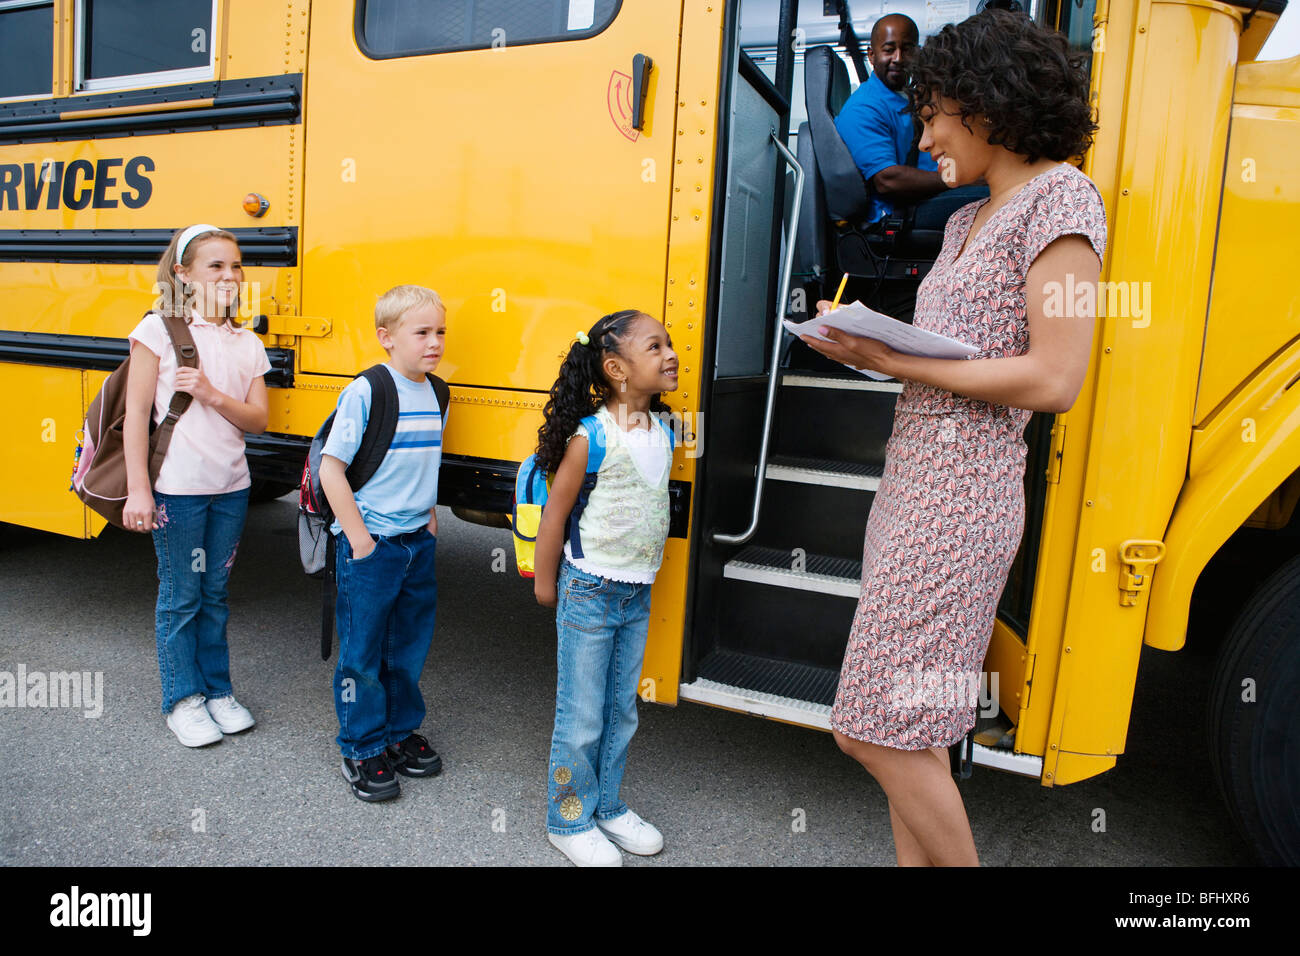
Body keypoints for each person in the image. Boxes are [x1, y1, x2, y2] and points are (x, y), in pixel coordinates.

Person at [801, 9, 1106, 865]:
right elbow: (960, 346)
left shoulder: (1064, 198)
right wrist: (865, 340)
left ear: (986, 101)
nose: (925, 130)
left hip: (962, 506)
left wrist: (896, 363)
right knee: (920, 728)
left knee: (872, 730)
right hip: (914, 489)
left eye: (934, 110)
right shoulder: (971, 218)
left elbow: (1055, 379)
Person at [532, 310, 679, 867]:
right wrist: (547, 584)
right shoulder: (589, 437)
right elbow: (555, 516)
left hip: (635, 594)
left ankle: (609, 807)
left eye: (668, 344)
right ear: (617, 368)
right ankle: (567, 818)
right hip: (589, 592)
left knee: (622, 710)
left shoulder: (665, 431)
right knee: (582, 716)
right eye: (655, 347)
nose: (670, 354)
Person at [123, 224, 271, 747]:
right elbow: (136, 415)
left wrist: (210, 393)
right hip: (177, 489)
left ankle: (217, 691)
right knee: (181, 595)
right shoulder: (158, 332)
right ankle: (182, 699)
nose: (229, 275)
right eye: (215, 266)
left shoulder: (248, 342)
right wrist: (140, 490)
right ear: (183, 274)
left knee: (215, 593)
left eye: (236, 265)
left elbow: (257, 420)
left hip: (231, 487)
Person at [318, 285, 448, 802]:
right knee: (363, 651)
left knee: (407, 646)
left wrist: (431, 520)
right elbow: (333, 469)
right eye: (422, 332)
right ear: (386, 337)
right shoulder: (369, 390)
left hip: (417, 540)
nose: (434, 342)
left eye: (440, 331)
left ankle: (398, 732)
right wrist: (362, 542)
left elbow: (425, 465)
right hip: (373, 544)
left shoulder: (438, 392)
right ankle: (362, 744)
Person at [834, 13, 987, 230]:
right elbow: (888, 180)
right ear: (871, 55)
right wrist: (960, 178)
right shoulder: (864, 107)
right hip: (897, 215)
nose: (898, 58)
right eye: (889, 50)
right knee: (996, 198)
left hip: (929, 195)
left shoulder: (909, 97)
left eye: (907, 49)